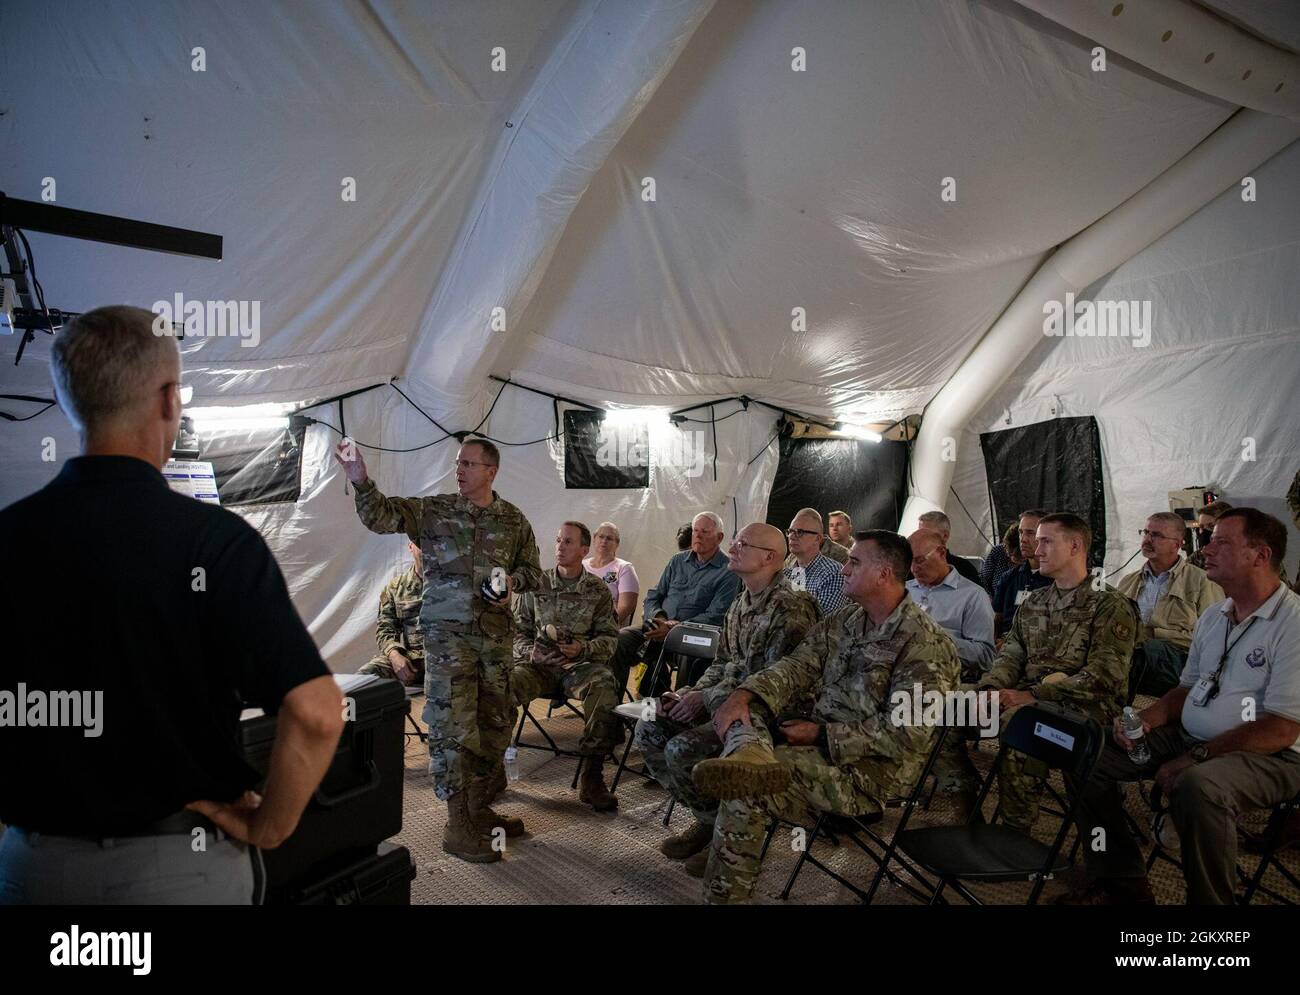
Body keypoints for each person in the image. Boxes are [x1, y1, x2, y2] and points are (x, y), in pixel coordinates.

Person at [0, 305, 343, 904]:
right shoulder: (215, 542)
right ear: (168, 400)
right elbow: (317, 713)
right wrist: (269, 827)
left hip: (33, 869)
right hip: (177, 870)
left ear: (70, 401)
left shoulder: (8, 537)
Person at [690, 531, 961, 904]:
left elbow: (906, 736)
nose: (844, 569)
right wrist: (746, 693)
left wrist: (821, 735)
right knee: (750, 705)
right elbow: (799, 665)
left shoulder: (926, 645)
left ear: (883, 574)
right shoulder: (847, 620)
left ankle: (723, 897)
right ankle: (748, 751)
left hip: (868, 771)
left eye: (854, 562)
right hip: (815, 741)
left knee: (748, 787)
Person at [1061, 508, 1300, 905]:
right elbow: (1186, 688)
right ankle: (1122, 882)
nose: (1206, 549)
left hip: (1273, 755)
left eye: (1222, 541)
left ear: (1260, 555)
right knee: (1084, 750)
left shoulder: (1292, 624)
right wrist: (1145, 719)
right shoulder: (1215, 616)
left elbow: (1281, 728)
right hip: (1191, 736)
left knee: (1199, 785)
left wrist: (1197, 756)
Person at [334, 436, 541, 864]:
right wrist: (360, 479)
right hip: (447, 645)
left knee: (494, 723)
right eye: (458, 463)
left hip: (495, 645)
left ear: (491, 472)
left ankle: (477, 809)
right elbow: (381, 514)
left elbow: (534, 573)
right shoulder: (434, 511)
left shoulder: (513, 520)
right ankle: (456, 827)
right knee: (452, 730)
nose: (459, 470)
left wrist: (511, 584)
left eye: (468, 464)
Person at [634, 524, 818, 877]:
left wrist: (706, 698)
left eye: (742, 544)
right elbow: (724, 663)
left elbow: (773, 684)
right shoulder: (742, 601)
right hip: (727, 703)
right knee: (649, 727)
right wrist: (689, 694)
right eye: (735, 541)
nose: (732, 547)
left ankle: (729, 839)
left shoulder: (790, 608)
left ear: (769, 557)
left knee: (682, 749)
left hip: (768, 717)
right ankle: (711, 821)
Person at [937, 512, 1136, 830]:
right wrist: (990, 690)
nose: (1036, 548)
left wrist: (1032, 695)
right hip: (1023, 696)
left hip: (1082, 710)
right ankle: (967, 807)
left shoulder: (1109, 605)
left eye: (1046, 541)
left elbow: (1103, 677)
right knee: (941, 707)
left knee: (1021, 723)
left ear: (1074, 545)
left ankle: (1015, 833)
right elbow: (1010, 657)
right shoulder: (1035, 602)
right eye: (1037, 540)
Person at [512, 522, 621, 812]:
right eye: (558, 540)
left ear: (584, 550)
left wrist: (583, 649)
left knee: (604, 686)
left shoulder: (597, 590)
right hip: (539, 667)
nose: (560, 546)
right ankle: (491, 769)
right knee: (501, 686)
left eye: (568, 542)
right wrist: (530, 651)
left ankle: (592, 775)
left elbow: (610, 639)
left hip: (579, 668)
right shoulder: (536, 584)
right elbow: (515, 632)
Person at [608, 513, 742, 699]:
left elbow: (717, 615)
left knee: (691, 651)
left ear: (719, 538)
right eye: (695, 531)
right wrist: (659, 618)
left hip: (694, 632)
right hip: (660, 625)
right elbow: (653, 596)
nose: (698, 536)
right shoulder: (677, 561)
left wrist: (673, 627)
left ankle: (679, 711)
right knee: (621, 638)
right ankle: (613, 706)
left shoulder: (728, 570)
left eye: (704, 531)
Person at [1117, 512, 1222, 700]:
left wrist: (1152, 634)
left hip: (1181, 659)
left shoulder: (1202, 582)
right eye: (1146, 532)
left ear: (1177, 544)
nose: (1148, 539)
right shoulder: (1128, 581)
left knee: (1143, 650)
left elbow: (1215, 638)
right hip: (1136, 655)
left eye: (1156, 535)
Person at [906, 528, 994, 681]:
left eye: (920, 560)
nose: (914, 568)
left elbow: (985, 657)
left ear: (941, 553)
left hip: (942, 678)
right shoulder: (904, 590)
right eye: (909, 561)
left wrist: (935, 640)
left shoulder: (972, 596)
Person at [358, 540, 426, 686]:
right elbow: (385, 631)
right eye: (420, 543)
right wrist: (394, 656)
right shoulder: (395, 588)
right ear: (410, 547)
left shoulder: (456, 584)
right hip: (415, 662)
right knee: (364, 678)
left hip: (450, 658)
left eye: (430, 543)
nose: (426, 548)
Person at [991, 509, 1052, 638]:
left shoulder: (1059, 581)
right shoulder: (1009, 578)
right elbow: (998, 620)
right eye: (1020, 532)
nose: (1023, 539)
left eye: (1030, 533)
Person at [782, 508, 846, 617]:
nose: (792, 536)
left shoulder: (833, 573)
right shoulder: (788, 572)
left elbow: (823, 622)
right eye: (790, 531)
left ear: (818, 538)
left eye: (800, 532)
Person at [583, 521, 640, 627]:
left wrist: (602, 627)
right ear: (594, 539)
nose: (604, 541)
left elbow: (626, 607)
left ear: (617, 544)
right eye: (601, 537)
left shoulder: (624, 568)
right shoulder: (581, 565)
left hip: (607, 629)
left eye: (609, 538)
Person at [916, 510, 982, 585]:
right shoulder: (912, 568)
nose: (921, 538)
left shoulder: (964, 569)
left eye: (927, 534)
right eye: (919, 533)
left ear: (945, 536)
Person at [1189, 500, 1233, 570]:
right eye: (1201, 527)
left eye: (1211, 526)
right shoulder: (1198, 557)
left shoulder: (1240, 556)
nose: (1204, 532)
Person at [980, 522, 1022, 596]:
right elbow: (985, 579)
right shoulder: (998, 551)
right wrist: (988, 596)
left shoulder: (1033, 560)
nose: (1012, 556)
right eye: (1010, 552)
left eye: (1017, 553)